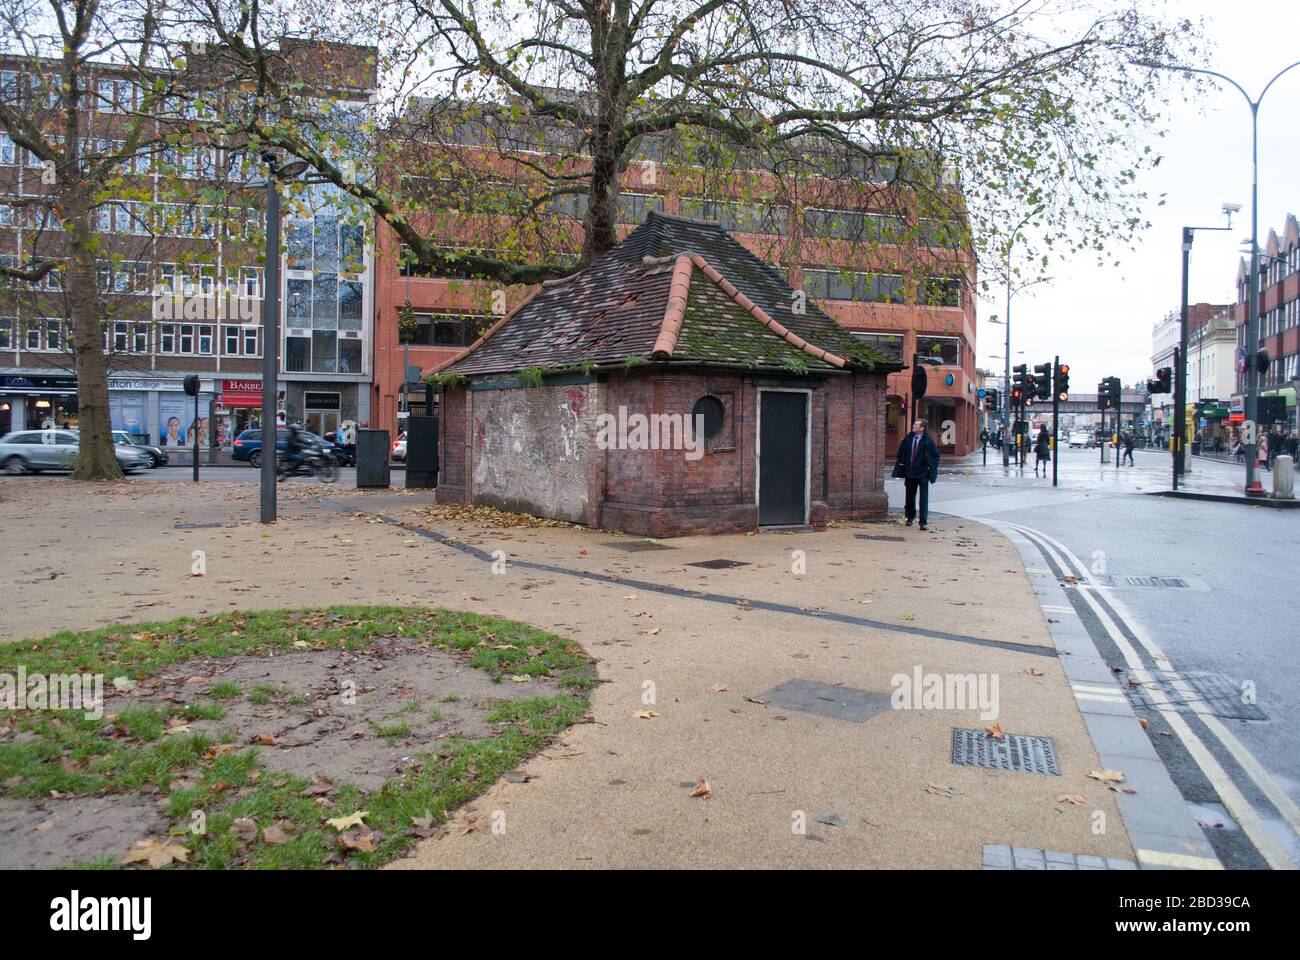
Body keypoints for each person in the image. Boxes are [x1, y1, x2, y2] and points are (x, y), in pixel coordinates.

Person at [894, 418, 940, 531]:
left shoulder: (928, 441)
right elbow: (901, 453)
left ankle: (923, 522)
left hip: (923, 473)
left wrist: (931, 468)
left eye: (916, 425)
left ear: (922, 428)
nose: (913, 426)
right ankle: (910, 517)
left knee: (923, 499)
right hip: (910, 472)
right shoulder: (908, 439)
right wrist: (901, 466)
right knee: (909, 497)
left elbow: (936, 457)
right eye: (914, 424)